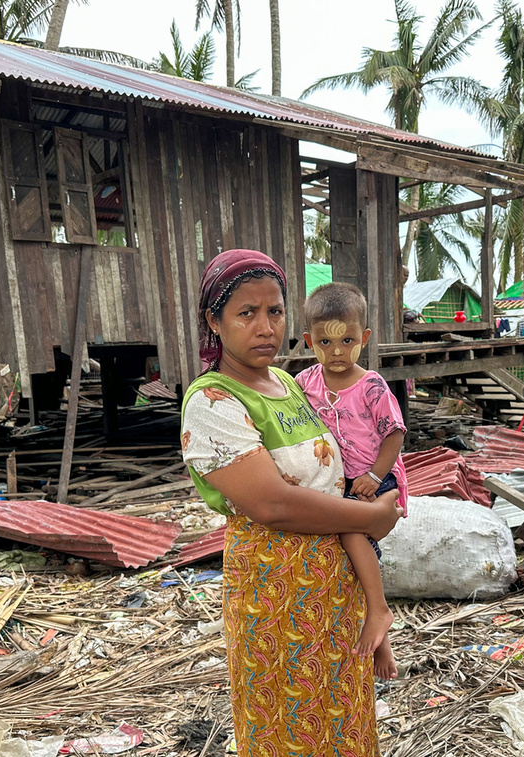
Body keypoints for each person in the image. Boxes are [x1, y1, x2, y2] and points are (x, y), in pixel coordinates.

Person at [180, 250, 400, 756]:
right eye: (246, 313)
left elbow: (333, 471)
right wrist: (371, 517)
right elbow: (272, 505)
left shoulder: (286, 383)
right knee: (287, 723)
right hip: (275, 591)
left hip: (336, 585)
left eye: (275, 311)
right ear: (215, 321)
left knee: (344, 718)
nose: (265, 327)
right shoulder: (213, 400)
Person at [295, 282, 408, 681]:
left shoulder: (372, 386)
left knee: (353, 533)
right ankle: (381, 636)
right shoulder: (305, 382)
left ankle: (379, 611)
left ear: (365, 338)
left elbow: (394, 433)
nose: (337, 351)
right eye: (325, 342)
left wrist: (375, 474)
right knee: (353, 561)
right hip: (337, 480)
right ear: (309, 341)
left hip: (374, 477)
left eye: (347, 340)